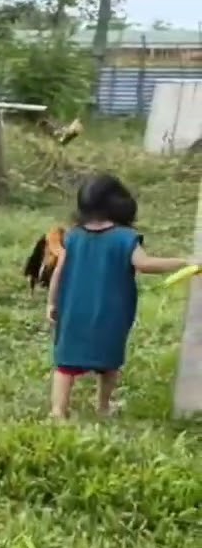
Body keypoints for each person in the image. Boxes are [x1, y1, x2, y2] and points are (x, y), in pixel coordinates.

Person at [46, 173, 194, 419]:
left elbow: (58, 273)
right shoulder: (125, 238)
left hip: (73, 311)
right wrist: (183, 261)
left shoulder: (72, 237)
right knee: (109, 363)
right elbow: (144, 264)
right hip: (111, 313)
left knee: (66, 364)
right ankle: (103, 406)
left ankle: (58, 411)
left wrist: (51, 302)